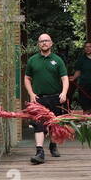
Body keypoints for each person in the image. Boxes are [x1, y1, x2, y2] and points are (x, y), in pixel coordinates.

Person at [24, 33, 68, 165]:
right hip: (39, 99)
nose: (44, 43)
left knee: (54, 124)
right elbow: (27, 78)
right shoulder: (32, 60)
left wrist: (64, 92)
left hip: (55, 98)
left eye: (46, 41)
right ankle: (39, 152)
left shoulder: (58, 60)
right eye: (41, 41)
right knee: (39, 125)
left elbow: (64, 78)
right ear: (38, 44)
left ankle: (53, 146)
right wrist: (31, 94)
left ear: (51, 43)